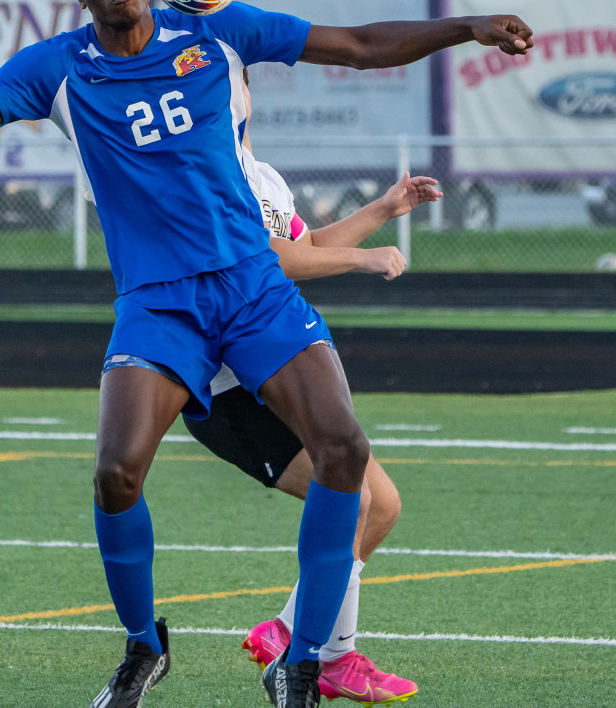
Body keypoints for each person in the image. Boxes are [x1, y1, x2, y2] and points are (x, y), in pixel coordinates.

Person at [0, 0, 532, 708]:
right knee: (115, 473)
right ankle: (143, 649)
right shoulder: (57, 68)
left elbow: (356, 46)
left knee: (345, 451)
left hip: (252, 287)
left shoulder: (220, 30)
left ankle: (303, 660)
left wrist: (468, 27)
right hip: (159, 304)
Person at [184, 75, 437, 704]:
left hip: (279, 373)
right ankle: (331, 657)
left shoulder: (262, 175)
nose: (226, 93)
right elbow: (268, 261)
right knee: (352, 505)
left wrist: (384, 208)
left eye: (233, 80)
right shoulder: (204, 173)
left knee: (381, 506)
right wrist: (366, 258)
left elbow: (305, 246)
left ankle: (289, 632)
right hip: (231, 391)